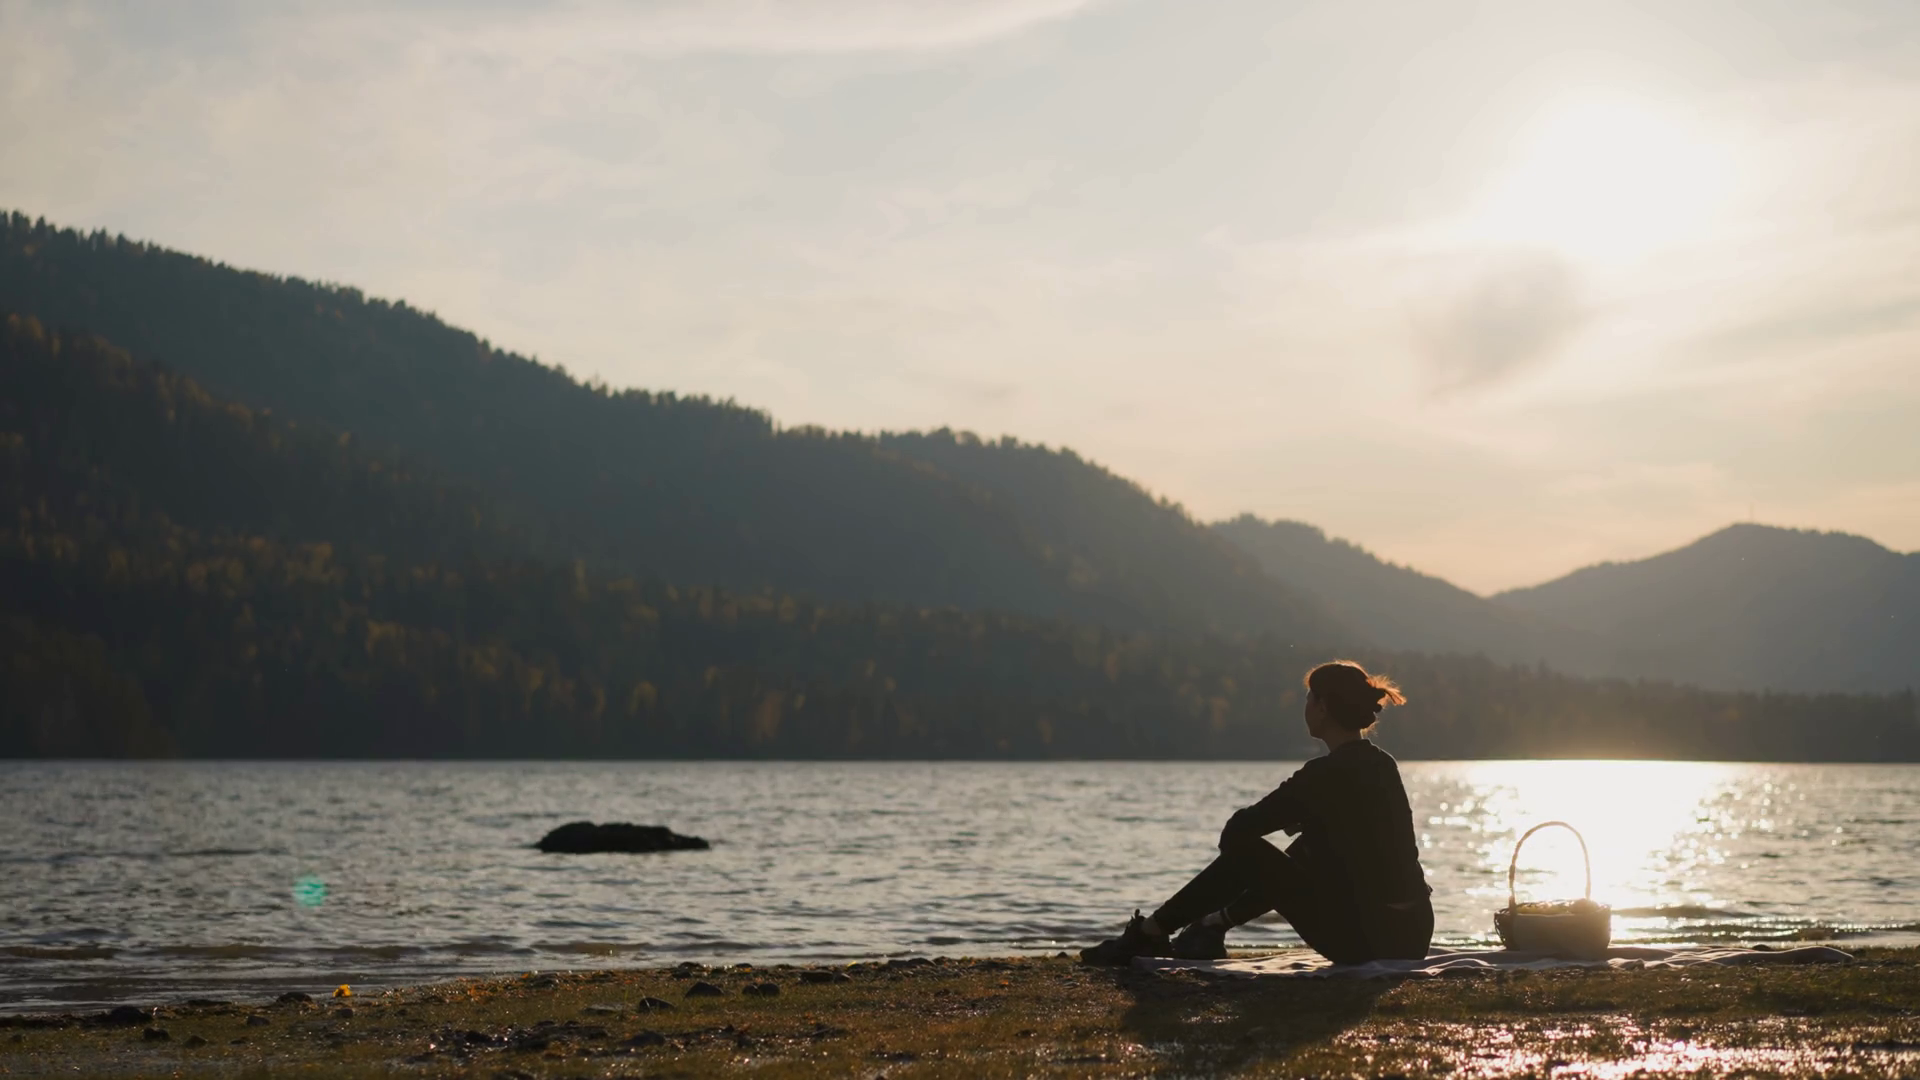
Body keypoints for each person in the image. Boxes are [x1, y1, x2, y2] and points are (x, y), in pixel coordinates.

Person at [1080, 659, 1433, 966]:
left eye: (1309, 699)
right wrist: (1312, 825)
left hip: (1366, 942)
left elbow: (1236, 833)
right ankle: (1209, 924)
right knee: (1308, 848)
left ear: (1323, 707)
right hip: (1413, 935)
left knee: (1251, 850)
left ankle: (1152, 932)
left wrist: (1301, 821)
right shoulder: (1383, 765)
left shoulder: (1323, 774)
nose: (1306, 706)